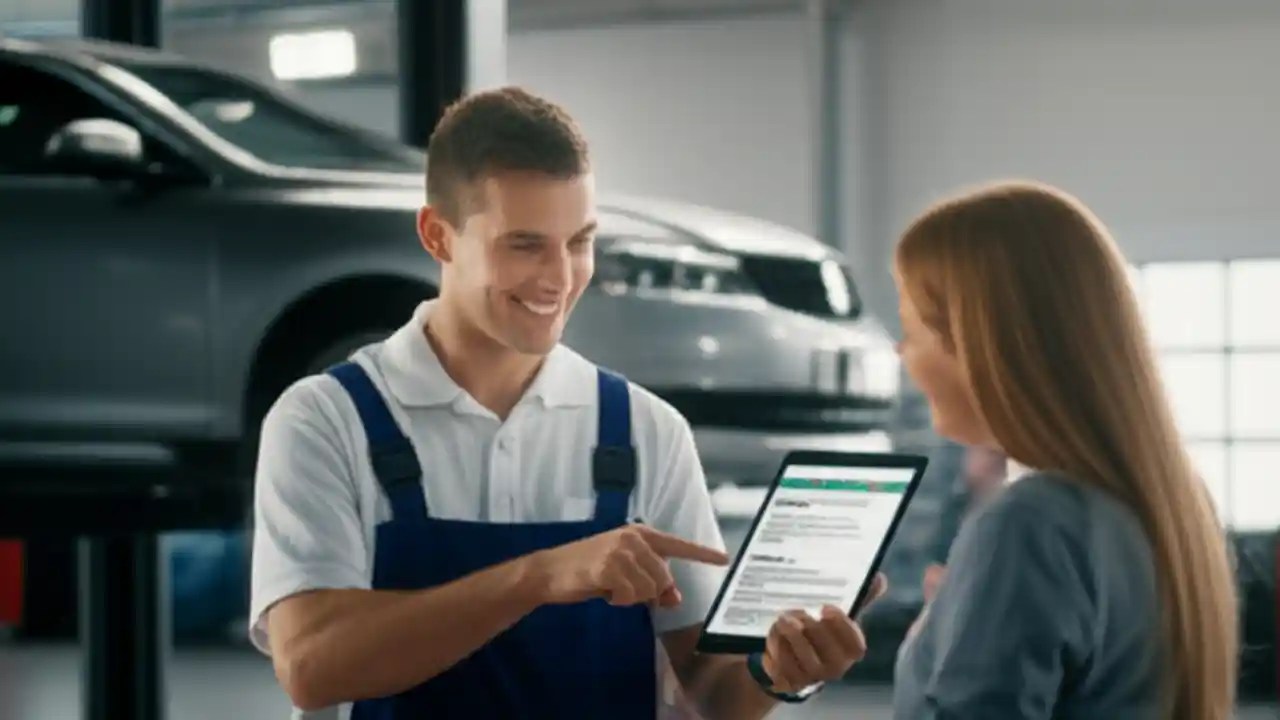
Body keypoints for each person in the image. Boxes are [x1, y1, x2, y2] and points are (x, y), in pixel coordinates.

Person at [248, 87, 881, 720]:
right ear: (437, 236)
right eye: (524, 245)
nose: (560, 277)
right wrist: (539, 577)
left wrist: (777, 672)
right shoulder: (325, 422)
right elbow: (312, 665)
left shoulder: (645, 430)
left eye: (579, 241)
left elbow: (711, 695)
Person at [890, 179, 1238, 719]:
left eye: (913, 332)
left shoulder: (1029, 521)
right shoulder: (1175, 500)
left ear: (980, 346)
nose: (902, 355)